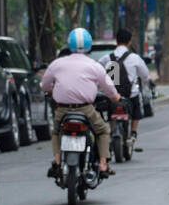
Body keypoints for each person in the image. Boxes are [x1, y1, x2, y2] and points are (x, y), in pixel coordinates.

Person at [40, 27, 120, 178]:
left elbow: (44, 85)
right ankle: (103, 164)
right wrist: (115, 97)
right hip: (86, 110)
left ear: (69, 44)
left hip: (63, 111)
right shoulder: (94, 65)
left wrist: (52, 91)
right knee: (103, 131)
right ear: (89, 45)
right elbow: (109, 87)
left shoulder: (57, 64)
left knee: (56, 132)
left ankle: (57, 161)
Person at [101, 28, 149, 151]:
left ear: (116, 41)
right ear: (129, 42)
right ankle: (133, 133)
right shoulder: (134, 58)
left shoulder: (107, 58)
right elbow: (145, 76)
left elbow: (97, 72)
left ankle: (112, 131)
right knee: (136, 107)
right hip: (130, 96)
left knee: (110, 108)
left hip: (113, 95)